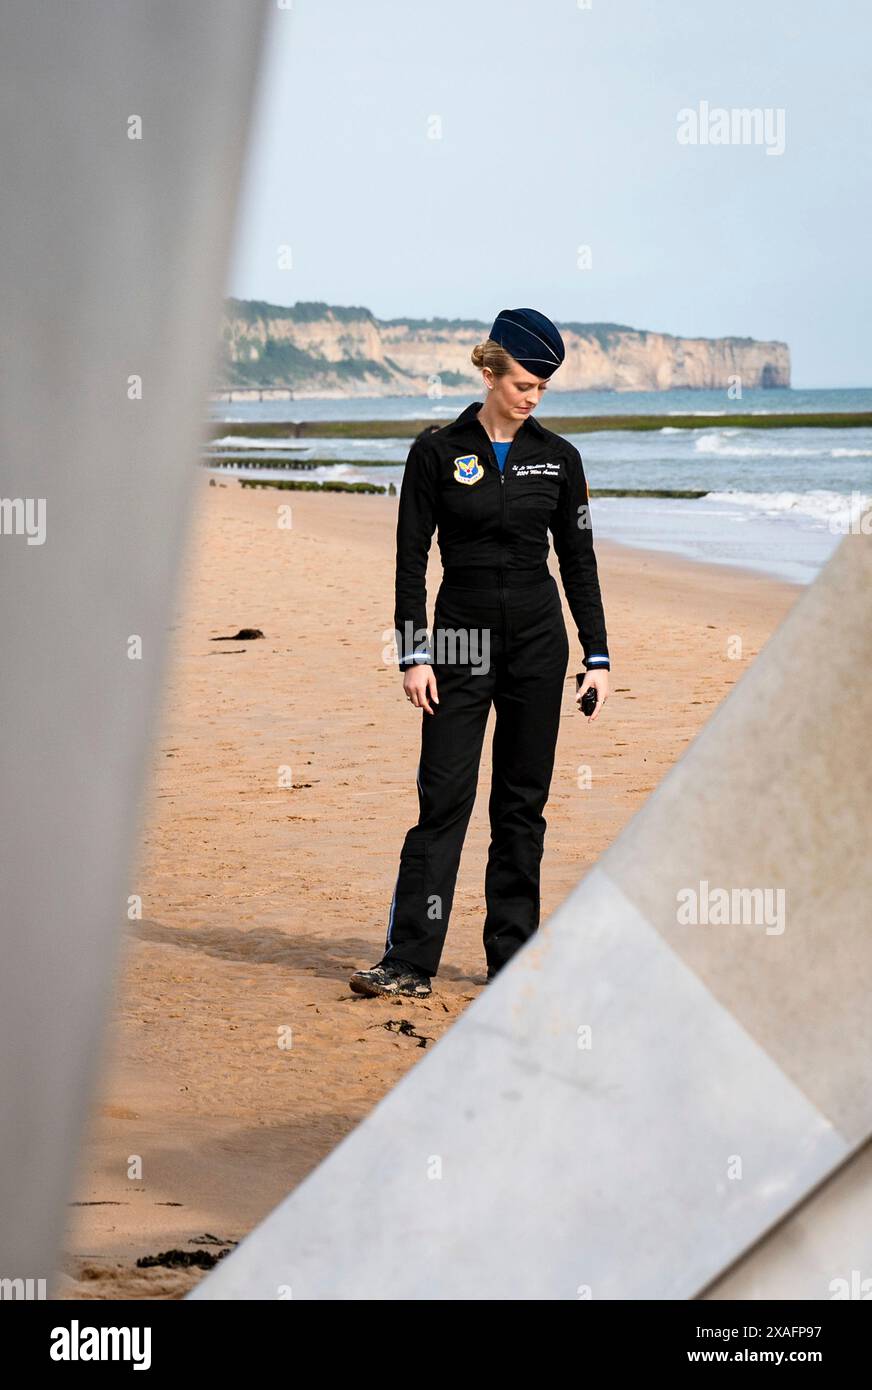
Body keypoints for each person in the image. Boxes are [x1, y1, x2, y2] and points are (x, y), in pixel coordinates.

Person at [350, 307, 610, 999]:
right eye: (523, 382)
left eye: (542, 389)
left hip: (537, 643)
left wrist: (599, 655)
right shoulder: (436, 450)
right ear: (489, 371)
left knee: (522, 805)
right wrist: (414, 653)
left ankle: (511, 962)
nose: (532, 396)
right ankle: (408, 961)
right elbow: (411, 559)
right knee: (443, 800)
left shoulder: (559, 458)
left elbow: (578, 562)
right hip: (458, 642)